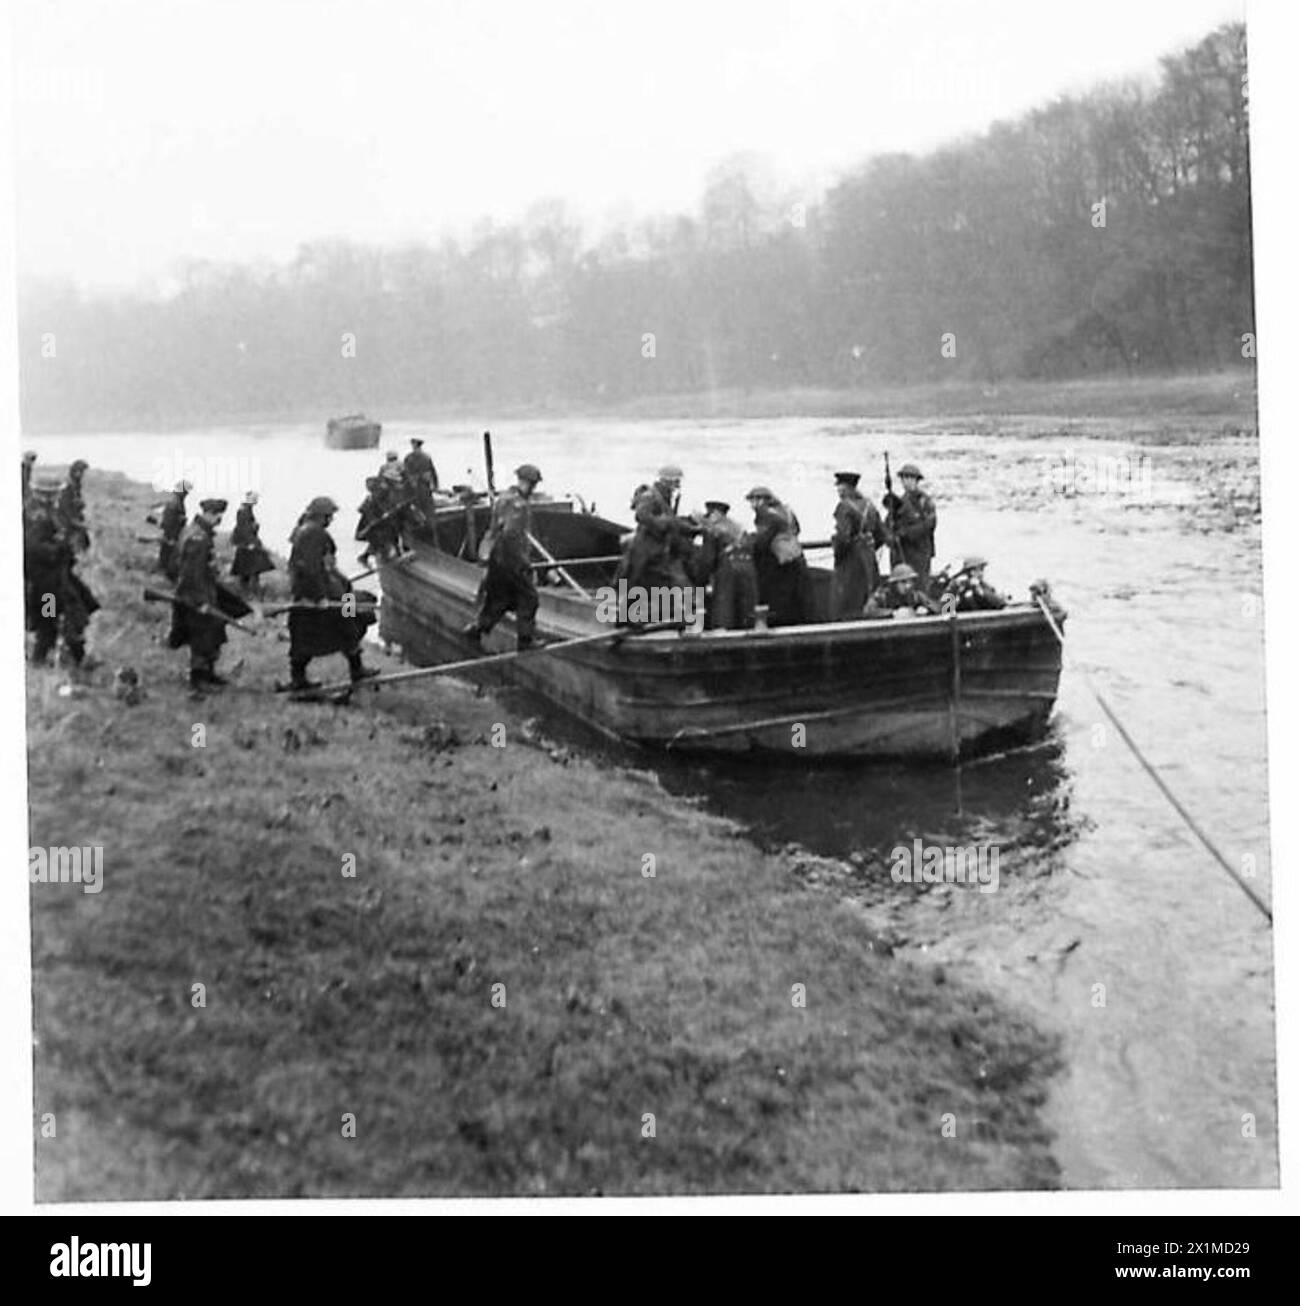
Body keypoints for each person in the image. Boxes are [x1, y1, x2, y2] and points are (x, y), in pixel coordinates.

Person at [286, 496, 378, 691]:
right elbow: (311, 568)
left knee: (347, 624)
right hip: (323, 595)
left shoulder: (303, 530)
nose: (331, 520)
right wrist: (320, 598)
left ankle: (355, 668)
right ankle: (353, 670)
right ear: (322, 516)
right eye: (329, 516)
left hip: (330, 591)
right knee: (347, 624)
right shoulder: (313, 534)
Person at [464, 464, 542, 651]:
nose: (534, 489)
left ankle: (476, 629)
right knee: (529, 598)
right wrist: (523, 563)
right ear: (525, 483)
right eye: (532, 485)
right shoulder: (519, 505)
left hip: (495, 558)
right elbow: (511, 535)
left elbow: (496, 530)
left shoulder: (504, 498)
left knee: (500, 599)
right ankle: (525, 641)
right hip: (510, 559)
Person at [24, 471, 98, 667]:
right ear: (45, 495)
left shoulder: (42, 513)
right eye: (53, 493)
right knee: (50, 622)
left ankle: (78, 658)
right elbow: (33, 547)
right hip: (46, 584)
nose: (56, 497)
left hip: (57, 578)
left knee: (75, 612)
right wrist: (61, 547)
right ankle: (41, 660)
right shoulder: (38, 517)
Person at [169, 497, 231, 692]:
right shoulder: (199, 538)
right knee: (201, 638)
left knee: (211, 635)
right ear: (211, 514)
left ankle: (208, 674)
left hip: (201, 593)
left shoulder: (196, 532)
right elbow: (191, 573)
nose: (220, 520)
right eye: (218, 516)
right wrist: (200, 601)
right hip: (197, 596)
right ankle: (199, 680)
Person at [746, 486, 813, 626]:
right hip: (794, 558)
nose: (752, 504)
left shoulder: (765, 514)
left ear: (763, 500)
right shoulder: (786, 510)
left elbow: (762, 542)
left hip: (777, 564)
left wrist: (750, 542)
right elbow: (797, 529)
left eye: (754, 500)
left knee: (777, 600)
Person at [623, 465, 698, 589]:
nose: (678, 485)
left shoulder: (665, 497)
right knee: (635, 579)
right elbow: (641, 515)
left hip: (659, 547)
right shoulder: (650, 496)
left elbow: (672, 520)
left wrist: (691, 529)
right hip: (646, 546)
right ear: (668, 481)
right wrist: (662, 523)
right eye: (676, 481)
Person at [829, 470, 888, 620]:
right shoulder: (869, 505)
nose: (838, 491)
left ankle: (848, 625)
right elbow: (881, 535)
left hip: (851, 562)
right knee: (870, 594)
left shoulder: (844, 507)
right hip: (869, 558)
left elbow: (843, 538)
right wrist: (868, 547)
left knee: (848, 600)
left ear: (845, 488)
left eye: (840, 487)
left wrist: (838, 552)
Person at [694, 501, 757, 630]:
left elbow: (708, 559)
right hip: (748, 568)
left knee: (725, 611)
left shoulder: (712, 528)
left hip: (728, 569)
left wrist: (699, 581)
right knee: (746, 611)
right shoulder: (737, 526)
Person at [882, 462, 937, 583]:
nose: (907, 481)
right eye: (905, 478)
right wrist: (889, 535)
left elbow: (929, 525)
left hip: (919, 553)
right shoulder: (898, 502)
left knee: (919, 584)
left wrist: (905, 533)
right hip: (901, 552)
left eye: (911, 478)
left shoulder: (925, 501)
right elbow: (887, 523)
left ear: (917, 481)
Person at [230, 490, 274, 595]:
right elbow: (243, 528)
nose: (256, 500)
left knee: (252, 571)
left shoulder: (248, 510)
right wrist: (250, 542)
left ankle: (251, 594)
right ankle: (249, 594)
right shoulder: (243, 510)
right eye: (254, 498)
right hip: (246, 545)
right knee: (249, 571)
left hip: (248, 543)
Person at [863, 563, 942, 619]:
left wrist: (926, 611)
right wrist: (892, 613)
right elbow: (868, 611)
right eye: (903, 582)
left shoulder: (916, 596)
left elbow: (937, 608)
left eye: (910, 581)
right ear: (894, 584)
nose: (908, 586)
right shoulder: (882, 596)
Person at [151, 479, 192, 579]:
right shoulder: (174, 503)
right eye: (186, 491)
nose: (187, 494)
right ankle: (160, 574)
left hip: (173, 534)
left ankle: (162, 573)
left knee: (167, 555)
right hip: (171, 535)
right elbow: (169, 522)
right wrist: (171, 537)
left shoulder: (177, 502)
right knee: (166, 556)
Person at [942, 555, 1008, 612]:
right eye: (980, 569)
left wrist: (978, 590)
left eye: (982, 570)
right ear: (972, 572)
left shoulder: (982, 585)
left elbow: (998, 602)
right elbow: (946, 609)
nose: (981, 574)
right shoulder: (958, 586)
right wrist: (955, 589)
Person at [57, 458, 91, 553]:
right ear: (75, 471)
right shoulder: (67, 487)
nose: (82, 475)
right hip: (67, 524)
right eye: (81, 472)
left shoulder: (76, 486)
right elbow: (65, 508)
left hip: (75, 521)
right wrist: (78, 523)